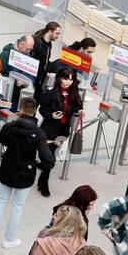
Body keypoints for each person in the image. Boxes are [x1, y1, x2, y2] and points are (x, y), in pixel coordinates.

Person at [0, 97, 55, 249]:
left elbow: (3, 140)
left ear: (21, 109)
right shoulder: (38, 132)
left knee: (0, 201)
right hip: (26, 170)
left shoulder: (10, 127)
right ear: (35, 111)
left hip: (8, 167)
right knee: (18, 206)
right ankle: (9, 239)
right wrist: (39, 165)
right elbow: (48, 159)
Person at [36, 69, 82, 197]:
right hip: (50, 129)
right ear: (59, 78)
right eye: (66, 78)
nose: (68, 82)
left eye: (71, 79)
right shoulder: (50, 93)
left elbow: (78, 106)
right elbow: (42, 110)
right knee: (49, 158)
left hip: (63, 130)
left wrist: (80, 111)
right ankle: (43, 181)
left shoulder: (73, 94)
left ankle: (43, 172)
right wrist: (51, 115)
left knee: (52, 156)